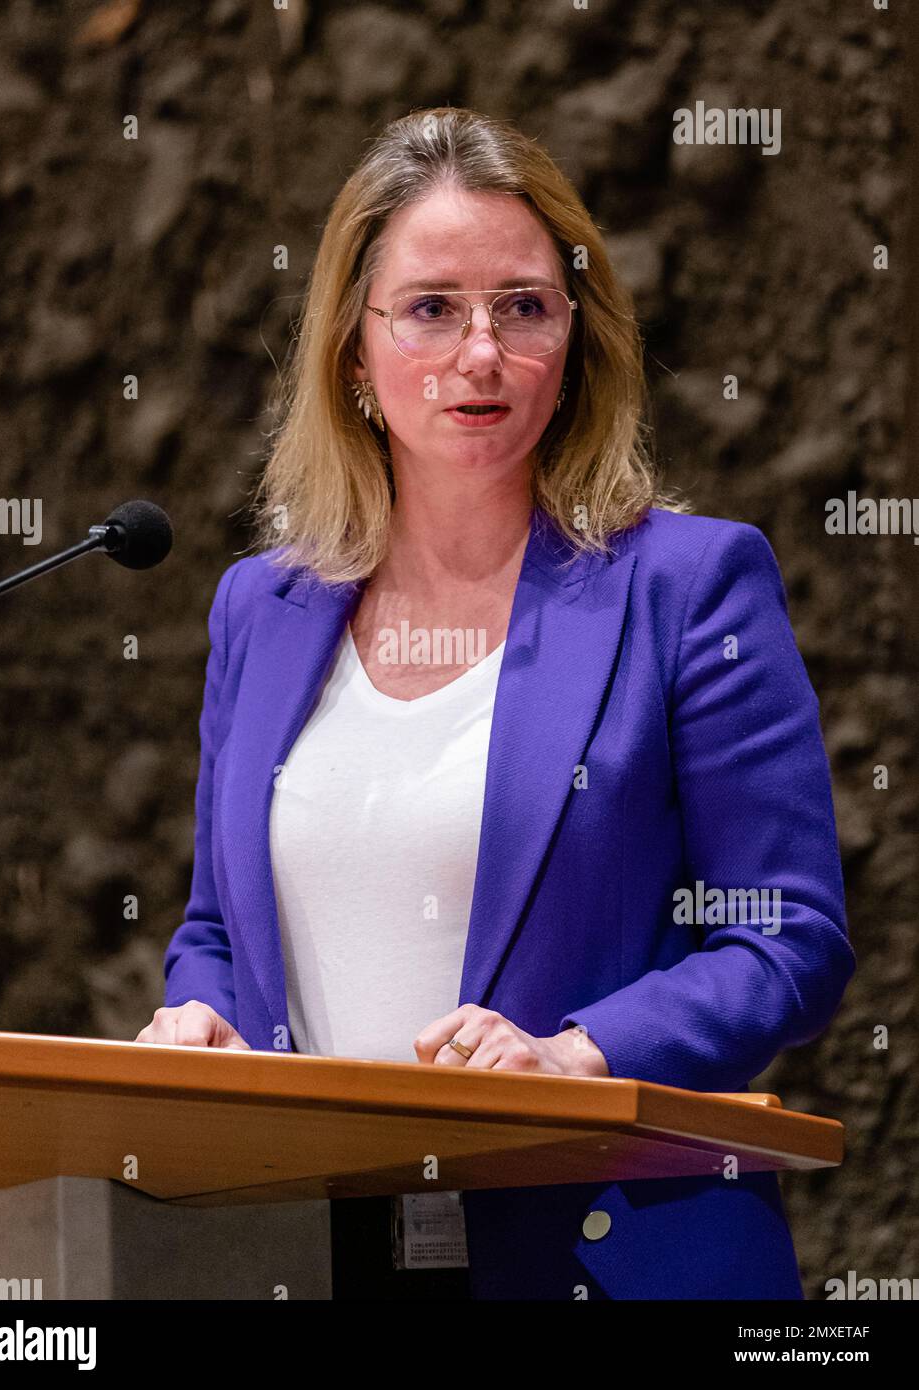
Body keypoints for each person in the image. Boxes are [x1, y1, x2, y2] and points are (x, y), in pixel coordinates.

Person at [137, 106, 856, 1300]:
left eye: (523, 306)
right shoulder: (259, 611)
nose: (481, 352)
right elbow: (217, 928)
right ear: (351, 352)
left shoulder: (687, 587)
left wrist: (576, 1054)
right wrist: (195, 1014)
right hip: (317, 1258)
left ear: (574, 337)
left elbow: (784, 939)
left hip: (610, 1257)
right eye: (429, 308)